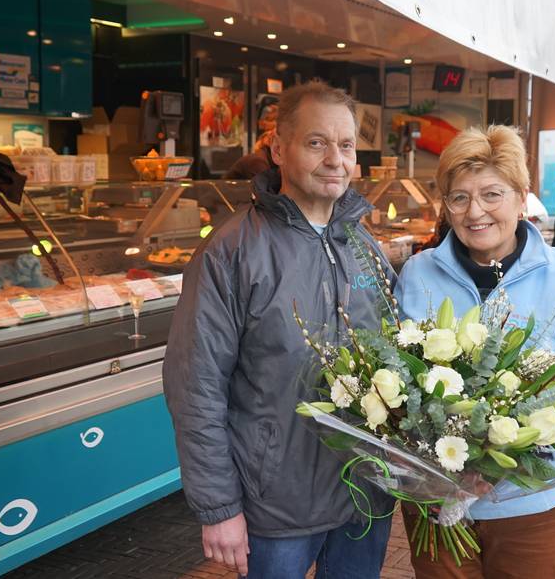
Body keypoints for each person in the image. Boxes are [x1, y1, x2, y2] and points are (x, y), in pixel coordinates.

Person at [163, 81, 393, 579]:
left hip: (365, 493)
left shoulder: (364, 245)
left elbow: (400, 360)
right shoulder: (230, 251)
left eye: (347, 145)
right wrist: (219, 508)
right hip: (277, 505)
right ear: (278, 148)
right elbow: (196, 387)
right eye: (316, 142)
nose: (335, 159)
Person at [394, 125, 555, 579]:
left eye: (491, 194)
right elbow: (405, 382)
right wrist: (428, 464)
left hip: (535, 505)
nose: (475, 211)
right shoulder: (419, 274)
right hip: (440, 503)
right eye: (459, 197)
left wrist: (528, 455)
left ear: (522, 198)